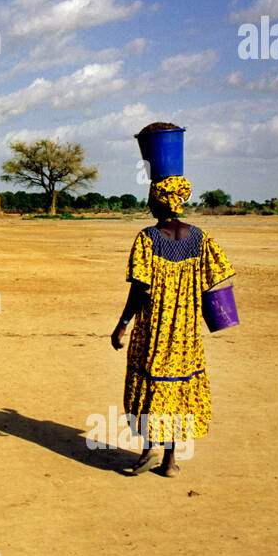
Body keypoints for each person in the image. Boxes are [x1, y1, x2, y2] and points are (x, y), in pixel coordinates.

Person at [110, 171, 235, 476]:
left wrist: (123, 323)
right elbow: (219, 279)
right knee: (177, 390)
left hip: (154, 327)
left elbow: (139, 287)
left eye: (151, 198)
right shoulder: (201, 238)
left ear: (157, 201)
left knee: (151, 384)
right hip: (186, 332)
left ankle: (148, 450)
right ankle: (170, 462)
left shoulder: (147, 238)